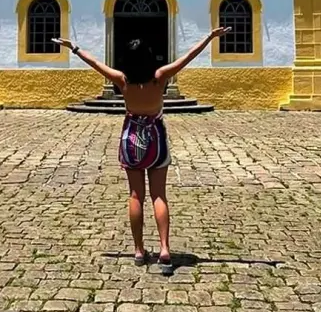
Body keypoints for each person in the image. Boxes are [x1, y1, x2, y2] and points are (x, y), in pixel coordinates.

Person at [54, 26, 230, 275]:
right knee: (159, 196)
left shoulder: (122, 80)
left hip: (132, 137)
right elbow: (188, 57)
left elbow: (93, 62)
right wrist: (209, 38)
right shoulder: (160, 77)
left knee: (136, 195)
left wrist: (73, 47)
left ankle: (138, 250)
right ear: (149, 56)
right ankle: (165, 249)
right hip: (156, 138)